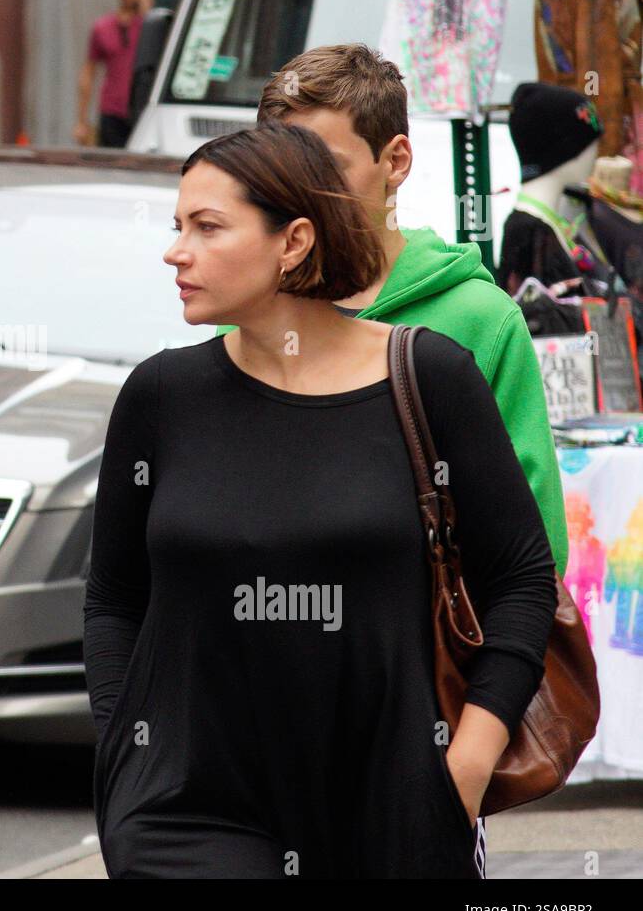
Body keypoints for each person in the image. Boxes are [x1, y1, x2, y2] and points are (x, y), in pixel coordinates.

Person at [85, 122, 558, 878]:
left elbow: (524, 580)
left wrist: (464, 767)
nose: (176, 251)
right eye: (179, 227)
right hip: (185, 814)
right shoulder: (161, 396)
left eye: (208, 228)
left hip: (393, 809)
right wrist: (121, 762)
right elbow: (113, 597)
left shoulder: (429, 378)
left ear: (294, 241)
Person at [218, 44, 569, 583]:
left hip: (423, 656)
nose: (298, 192)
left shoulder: (480, 319)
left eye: (326, 167)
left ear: (396, 161)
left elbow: (533, 548)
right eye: (280, 169)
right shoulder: (248, 309)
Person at [75, 0, 154, 149]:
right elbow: (88, 72)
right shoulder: (102, 27)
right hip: (112, 110)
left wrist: (148, 12)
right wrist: (82, 120)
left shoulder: (149, 25)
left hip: (143, 110)